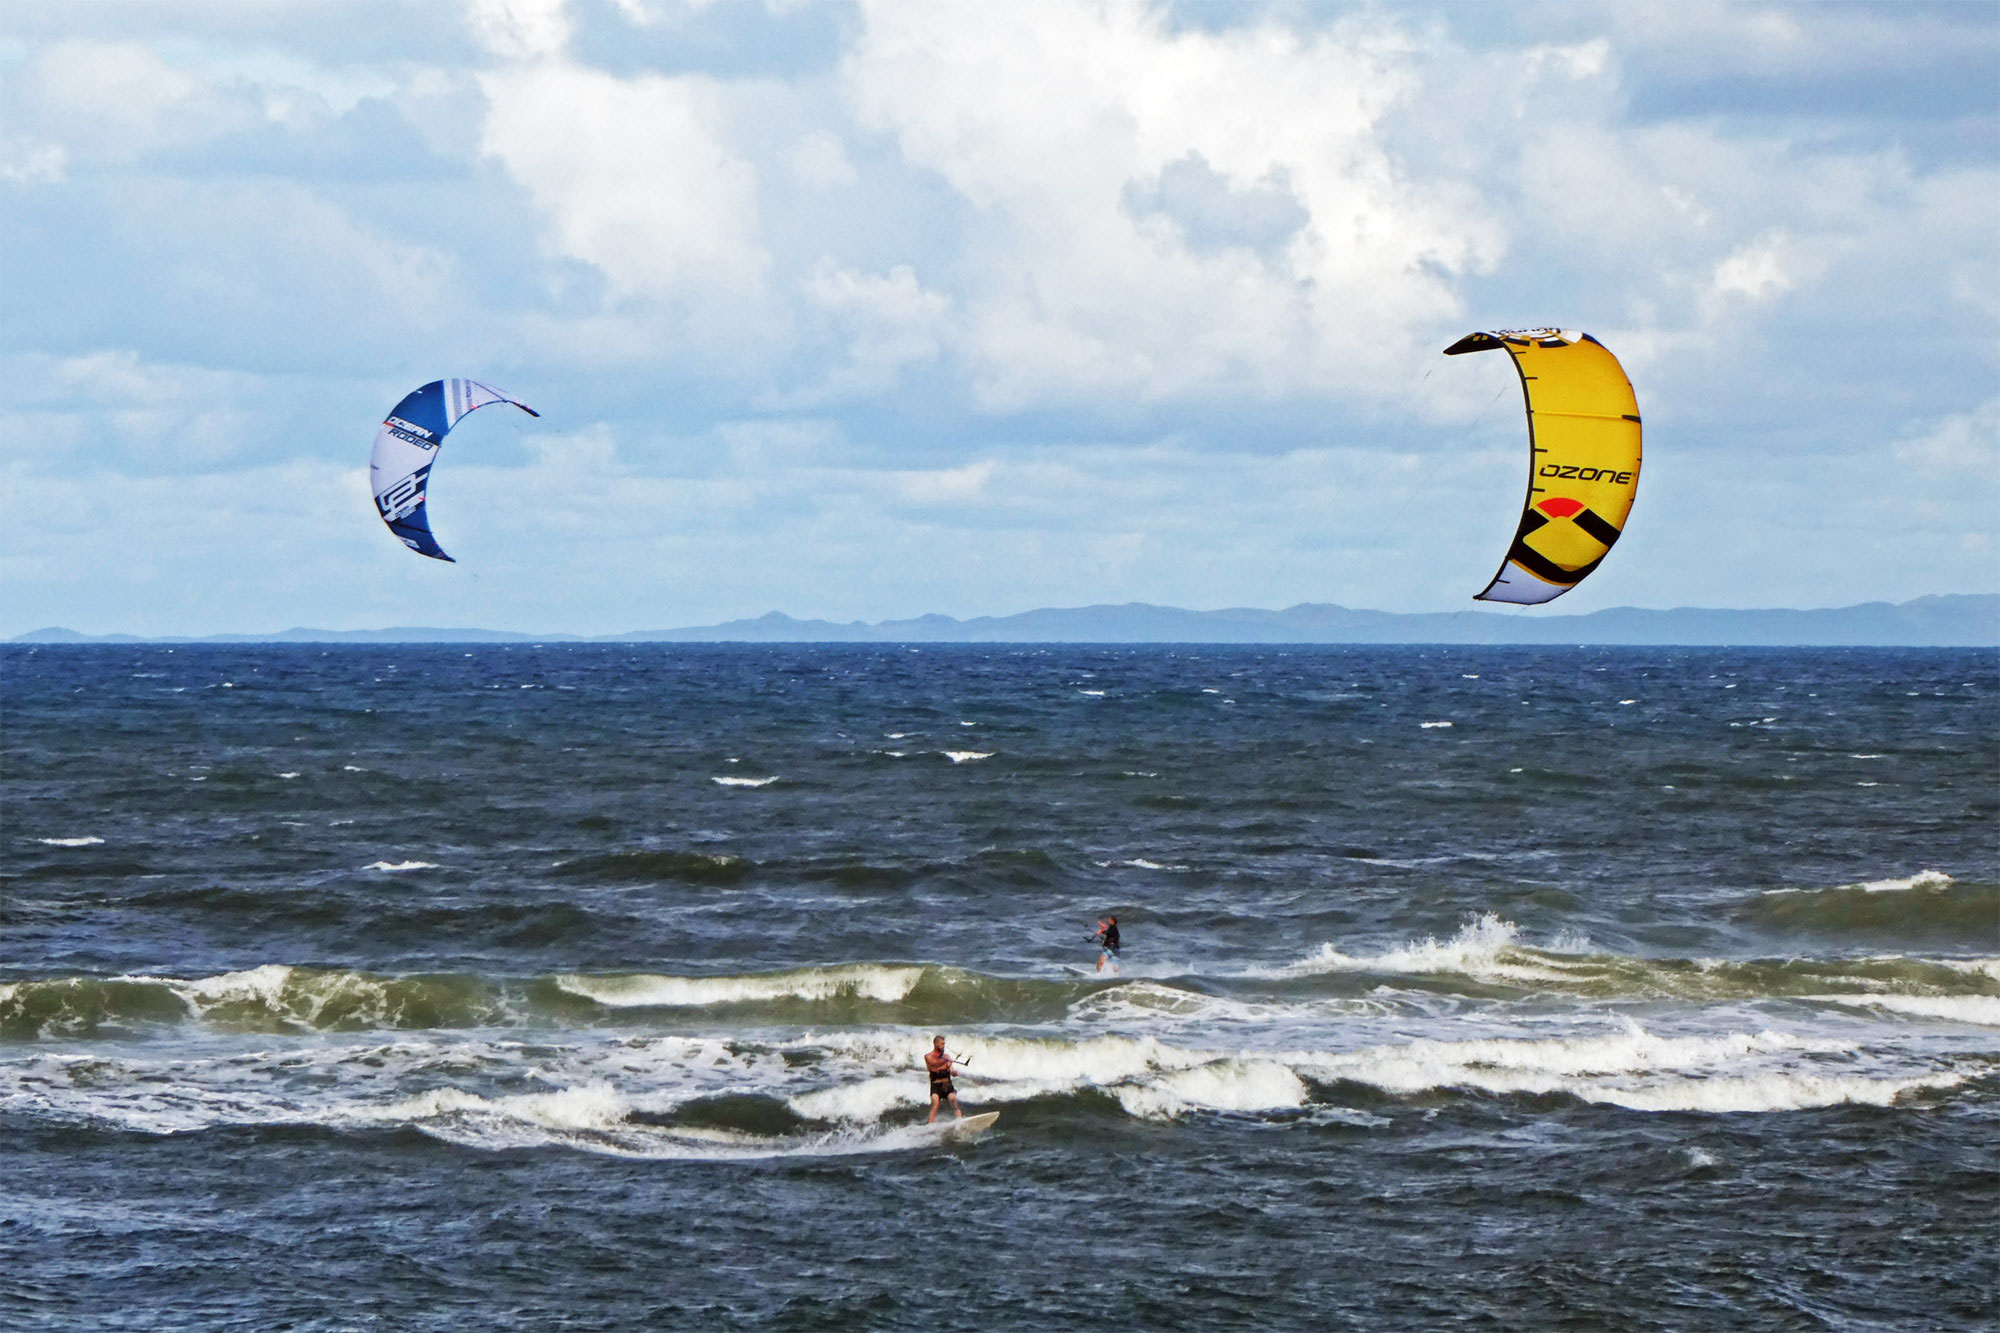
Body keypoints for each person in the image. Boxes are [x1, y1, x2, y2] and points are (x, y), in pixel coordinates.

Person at [925, 1034, 965, 1122]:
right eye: (942, 1044)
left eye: (944, 1044)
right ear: (936, 1044)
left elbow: (951, 1071)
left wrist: (954, 1072)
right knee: (935, 1103)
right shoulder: (928, 1056)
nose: (944, 1046)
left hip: (947, 1084)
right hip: (936, 1085)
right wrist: (945, 1064)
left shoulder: (947, 1057)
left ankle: (960, 1121)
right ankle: (930, 1125)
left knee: (953, 1099)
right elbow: (934, 1067)